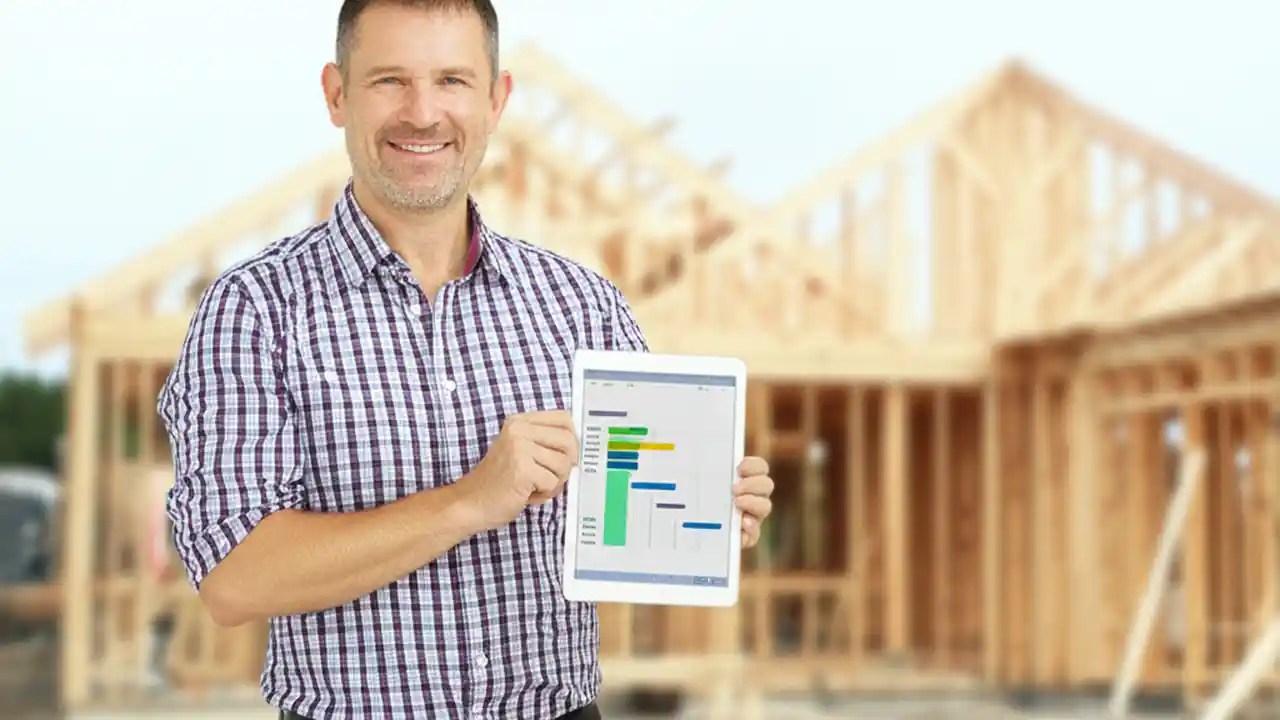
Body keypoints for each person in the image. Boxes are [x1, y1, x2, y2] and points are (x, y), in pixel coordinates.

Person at [156, 1, 776, 719]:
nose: (423, 114)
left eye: (452, 80)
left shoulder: (581, 305)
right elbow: (234, 580)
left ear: (496, 99)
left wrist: (706, 511)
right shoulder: (256, 310)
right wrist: (466, 503)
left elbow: (620, 529)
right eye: (390, 81)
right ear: (335, 95)